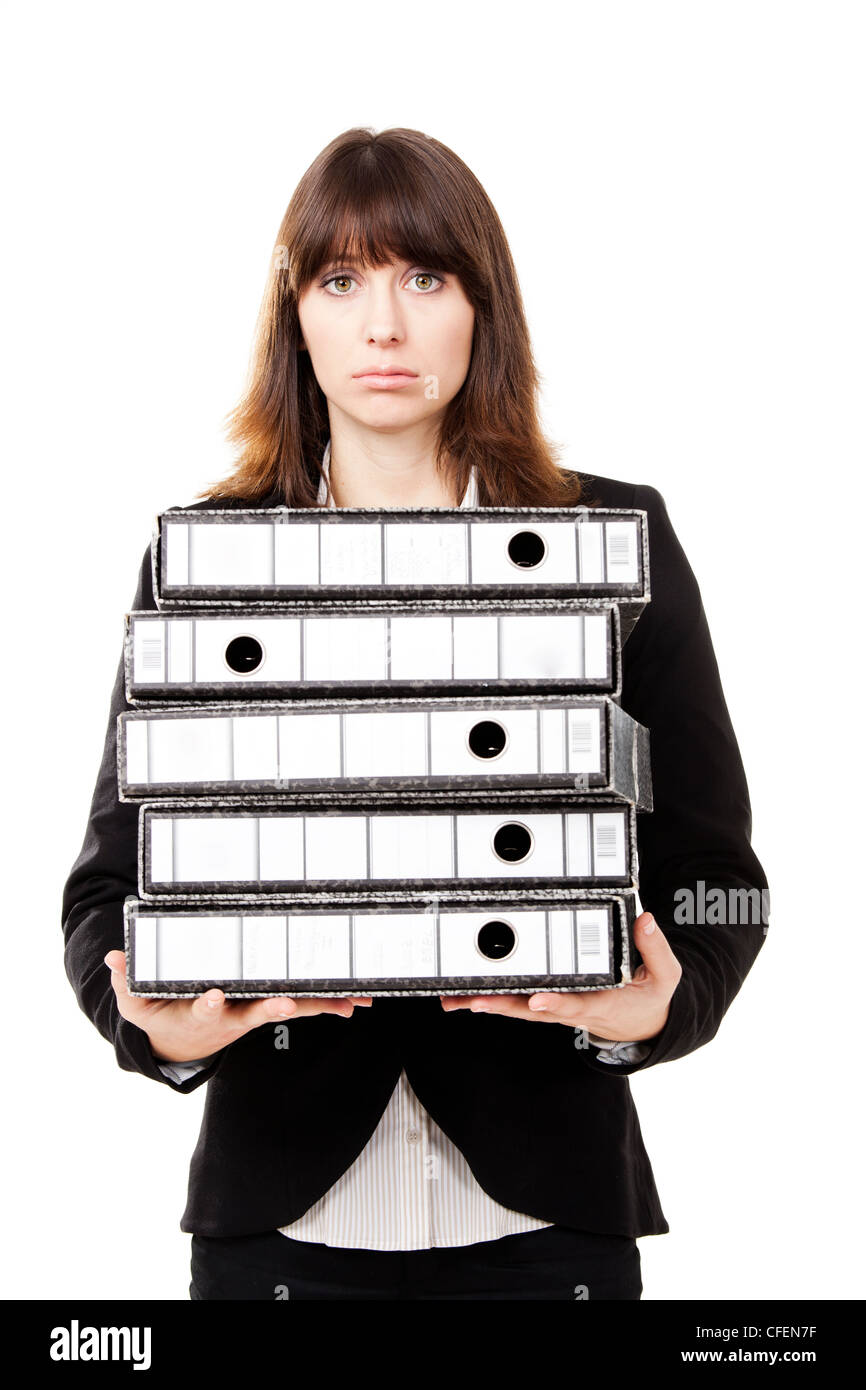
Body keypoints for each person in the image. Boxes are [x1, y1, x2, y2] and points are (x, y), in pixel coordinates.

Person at [61, 127, 769, 1301]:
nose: (382, 325)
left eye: (425, 277)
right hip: (276, 1234)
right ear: (295, 315)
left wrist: (660, 1004)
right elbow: (106, 890)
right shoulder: (207, 557)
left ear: (483, 307)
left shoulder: (616, 543)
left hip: (549, 1232)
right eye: (341, 280)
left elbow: (717, 879)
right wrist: (157, 1032)